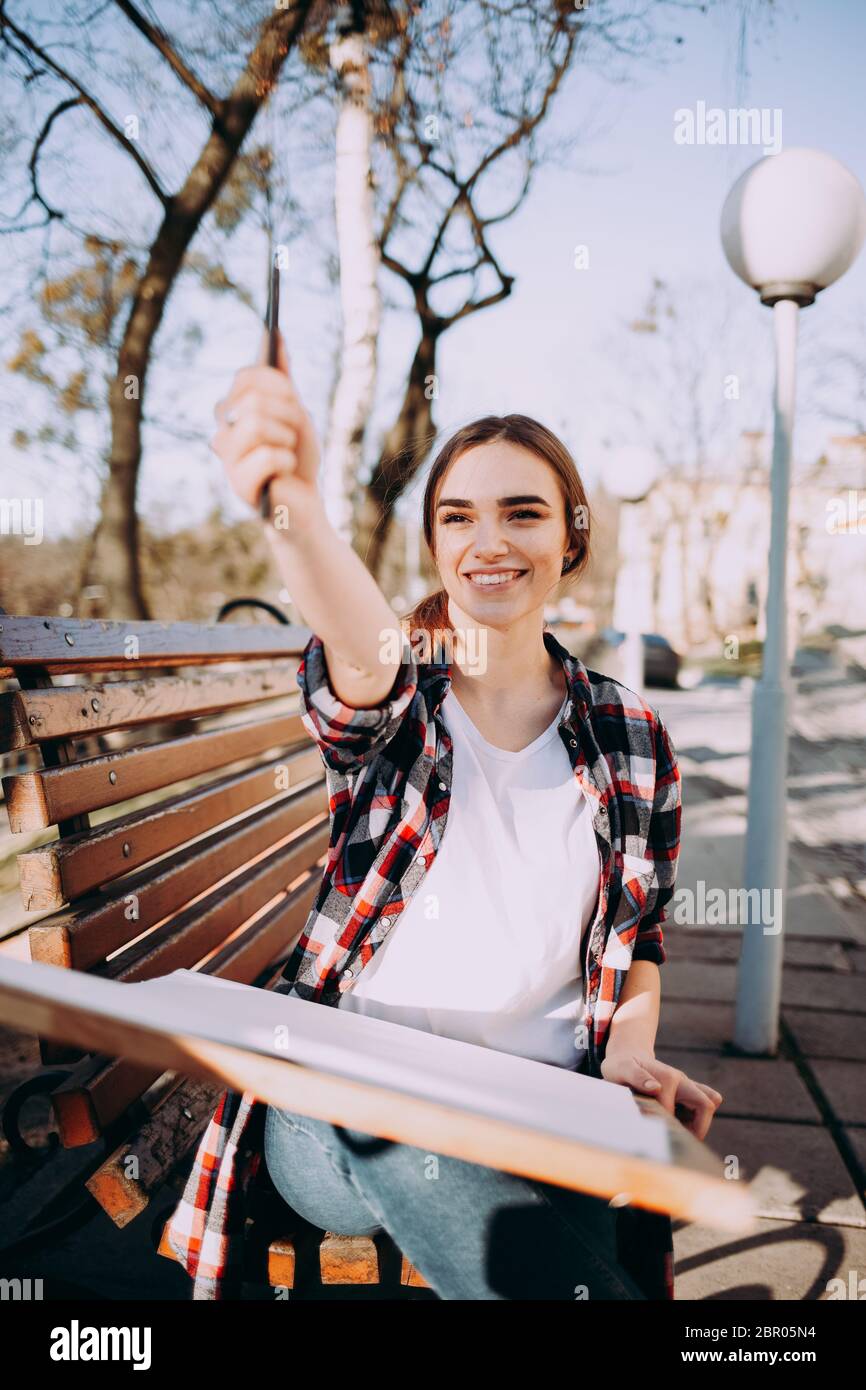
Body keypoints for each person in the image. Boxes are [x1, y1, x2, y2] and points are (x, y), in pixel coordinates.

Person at [165, 328, 722, 1301]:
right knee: (406, 1125)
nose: (488, 541)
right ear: (434, 546)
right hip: (343, 1110)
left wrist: (631, 1062)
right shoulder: (398, 706)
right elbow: (358, 653)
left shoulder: (632, 734)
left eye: (522, 513)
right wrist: (294, 506)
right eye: (458, 517)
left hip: (544, 1107)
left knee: (560, 1228)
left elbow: (642, 939)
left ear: (570, 539)